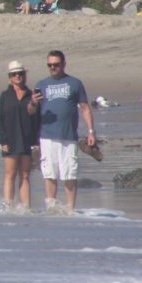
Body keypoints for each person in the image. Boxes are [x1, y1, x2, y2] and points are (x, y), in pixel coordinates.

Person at [28, 50, 96, 213]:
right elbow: (30, 111)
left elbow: (85, 108)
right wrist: (33, 102)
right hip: (47, 136)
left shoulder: (75, 83)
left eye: (56, 65)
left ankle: (70, 209)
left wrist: (91, 131)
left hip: (68, 136)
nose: (53, 68)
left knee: (70, 174)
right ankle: (51, 208)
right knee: (49, 173)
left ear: (64, 64)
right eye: (50, 65)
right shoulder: (41, 84)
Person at [0, 60, 39, 212]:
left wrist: (36, 140)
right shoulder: (5, 96)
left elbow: (37, 119)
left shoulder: (31, 95)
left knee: (25, 175)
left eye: (20, 73)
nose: (18, 76)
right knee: (10, 174)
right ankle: (8, 207)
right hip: (10, 139)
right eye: (14, 74)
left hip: (27, 139)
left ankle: (26, 208)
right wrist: (2, 140)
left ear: (24, 75)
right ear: (10, 78)